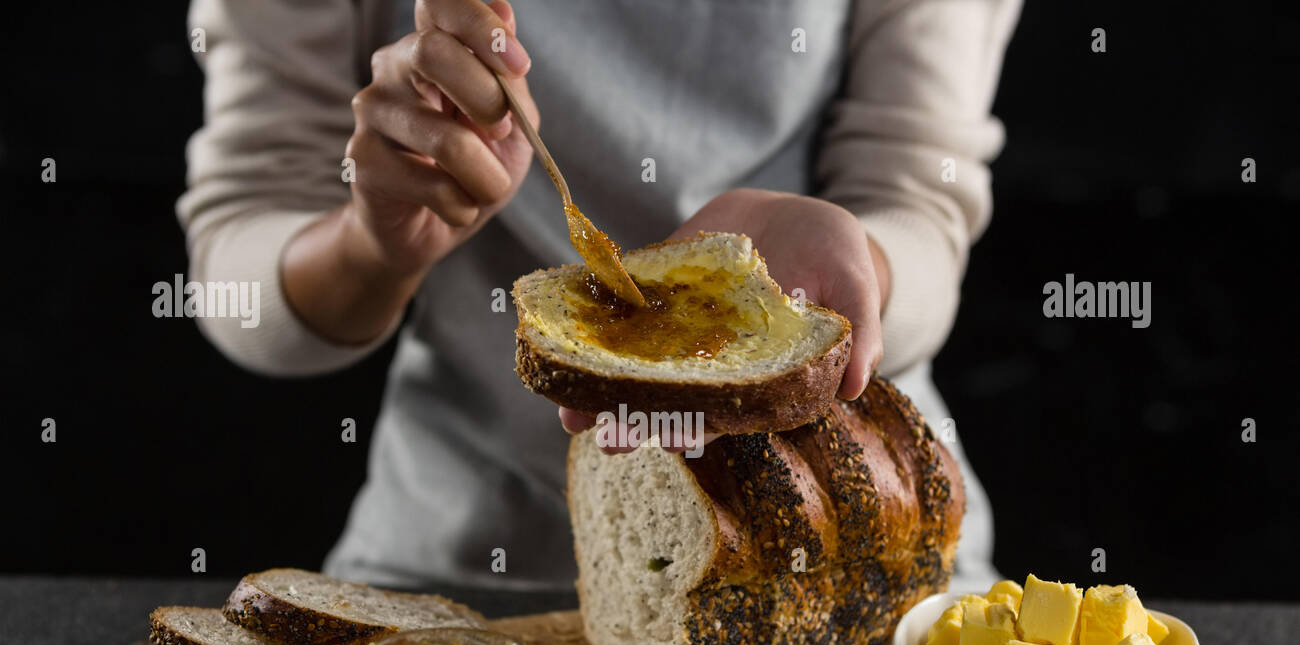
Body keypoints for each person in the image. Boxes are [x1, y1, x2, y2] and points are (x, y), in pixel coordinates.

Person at [178, 0, 1021, 594]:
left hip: (843, 546)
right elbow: (242, 272)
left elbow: (921, 195)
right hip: (467, 565)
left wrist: (853, 278)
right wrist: (375, 242)